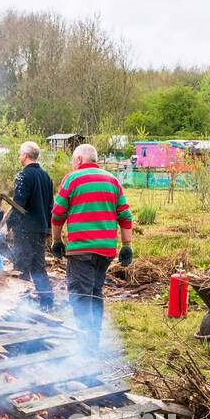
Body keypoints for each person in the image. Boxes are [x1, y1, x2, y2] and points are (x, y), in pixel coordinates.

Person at [50, 143, 133, 338]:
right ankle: (94, 336)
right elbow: (126, 215)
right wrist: (127, 245)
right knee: (95, 290)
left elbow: (57, 214)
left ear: (79, 160)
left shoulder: (72, 179)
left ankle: (85, 342)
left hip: (81, 251)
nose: (73, 164)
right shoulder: (112, 180)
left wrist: (56, 240)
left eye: (73, 160)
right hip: (106, 251)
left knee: (81, 295)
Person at [7, 141, 55, 309]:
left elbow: (18, 204)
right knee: (38, 265)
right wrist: (48, 226)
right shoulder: (46, 176)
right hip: (41, 228)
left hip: (25, 229)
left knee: (21, 266)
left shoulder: (23, 176)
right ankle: (47, 302)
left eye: (20, 154)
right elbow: (51, 205)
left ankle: (21, 305)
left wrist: (9, 225)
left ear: (25, 156)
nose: (20, 157)